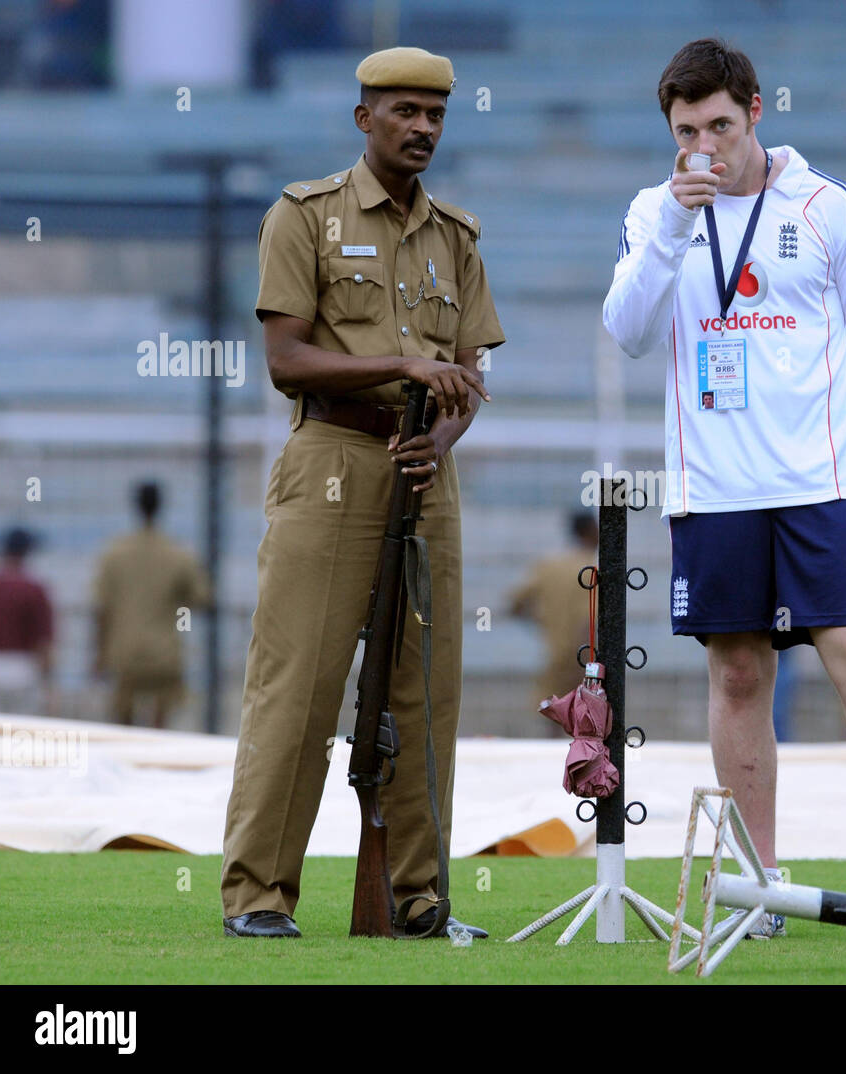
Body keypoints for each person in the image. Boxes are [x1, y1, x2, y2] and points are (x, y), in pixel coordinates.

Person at [602, 38, 846, 936]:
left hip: (826, 477)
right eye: (687, 132)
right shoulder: (655, 212)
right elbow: (629, 331)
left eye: (721, 126)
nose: (706, 149)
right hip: (715, 485)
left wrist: (811, 409)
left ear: (756, 111)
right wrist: (676, 233)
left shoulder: (831, 205)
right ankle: (761, 884)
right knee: (735, 677)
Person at [219, 46, 504, 940]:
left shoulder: (457, 236)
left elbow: (471, 371)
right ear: (363, 118)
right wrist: (404, 365)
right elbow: (285, 358)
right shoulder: (302, 215)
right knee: (299, 680)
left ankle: (419, 897)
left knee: (426, 692)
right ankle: (259, 894)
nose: (422, 127)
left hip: (425, 471)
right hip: (332, 457)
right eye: (404, 111)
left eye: (436, 114)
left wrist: (441, 433)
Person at [91, 482, 209, 729]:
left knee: (122, 722)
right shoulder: (177, 552)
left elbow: (102, 609)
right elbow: (201, 598)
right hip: (164, 652)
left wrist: (98, 655)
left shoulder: (114, 553)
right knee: (160, 727)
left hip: (124, 650)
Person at [508, 511, 600, 720]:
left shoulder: (549, 567)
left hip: (556, 650)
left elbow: (515, 604)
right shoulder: (597, 569)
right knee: (590, 717)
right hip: (589, 653)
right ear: (591, 532)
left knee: (554, 714)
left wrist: (543, 620)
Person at [0, 528, 54, 716]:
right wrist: (48, 682)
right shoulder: (34, 589)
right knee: (20, 734)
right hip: (21, 670)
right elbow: (43, 641)